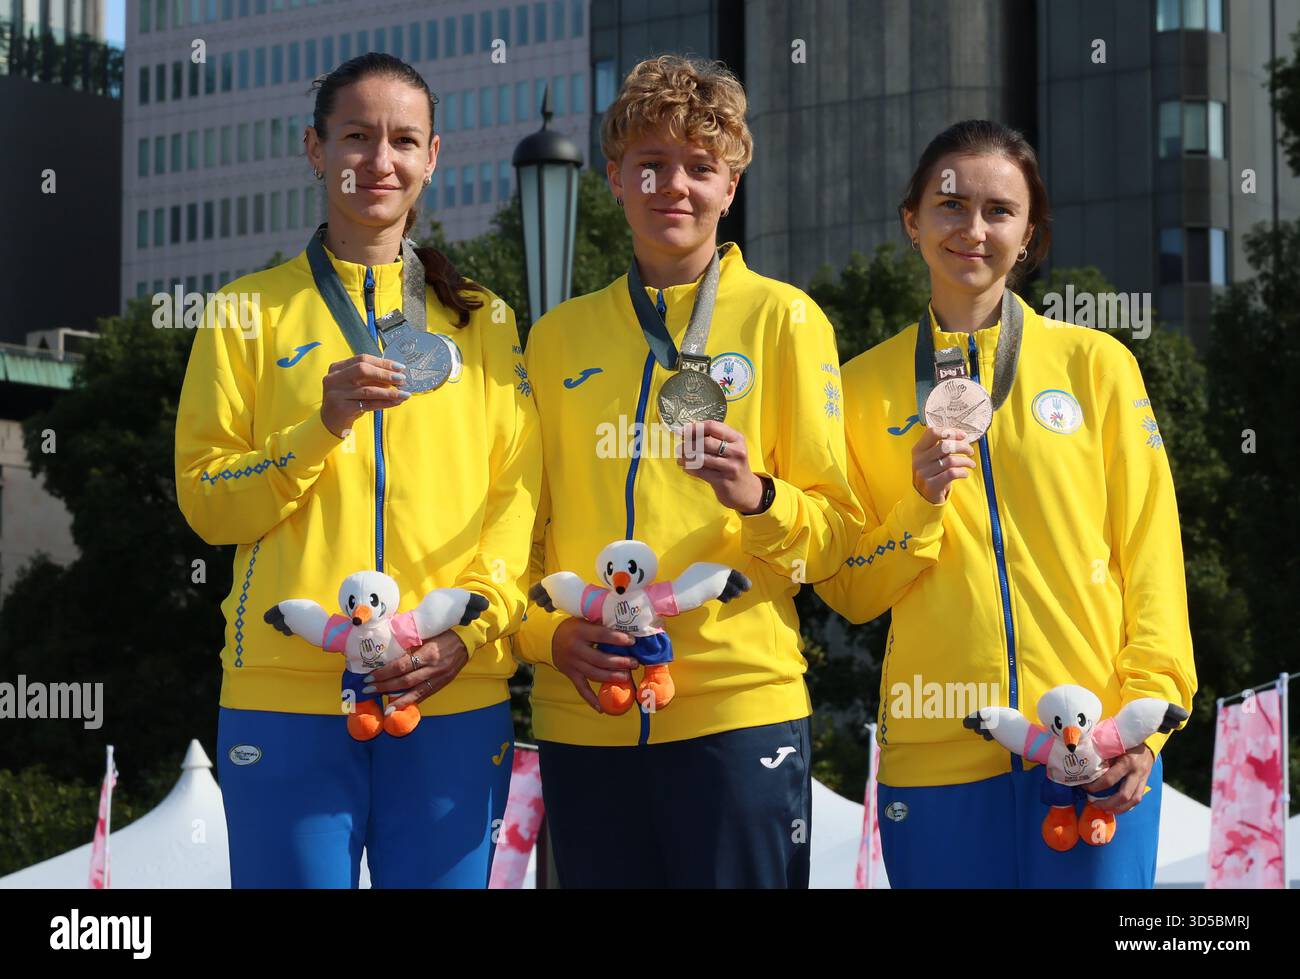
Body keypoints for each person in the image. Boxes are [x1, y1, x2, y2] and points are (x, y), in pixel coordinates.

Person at [174, 53, 540, 888]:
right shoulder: (244, 312)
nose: (380, 160)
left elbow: (518, 495)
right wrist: (320, 425)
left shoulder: (482, 319)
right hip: (286, 692)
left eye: (403, 140)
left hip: (448, 686)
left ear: (433, 157)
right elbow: (206, 500)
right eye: (356, 136)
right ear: (314, 148)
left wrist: (469, 631)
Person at [815, 119, 1197, 888]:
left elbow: (1150, 553)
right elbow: (849, 588)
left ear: (1029, 235)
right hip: (936, 758)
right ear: (912, 220)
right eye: (951, 205)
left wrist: (1147, 723)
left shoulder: (1098, 364)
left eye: (1000, 211)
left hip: (1091, 747)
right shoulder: (856, 388)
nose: (974, 229)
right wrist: (919, 506)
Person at [514, 55, 863, 888]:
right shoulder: (556, 337)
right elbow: (518, 535)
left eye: (701, 167)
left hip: (739, 709)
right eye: (651, 164)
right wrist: (547, 636)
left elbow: (838, 539)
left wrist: (760, 497)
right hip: (583, 711)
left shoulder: (787, 319)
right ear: (614, 178)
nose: (675, 185)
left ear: (731, 185)